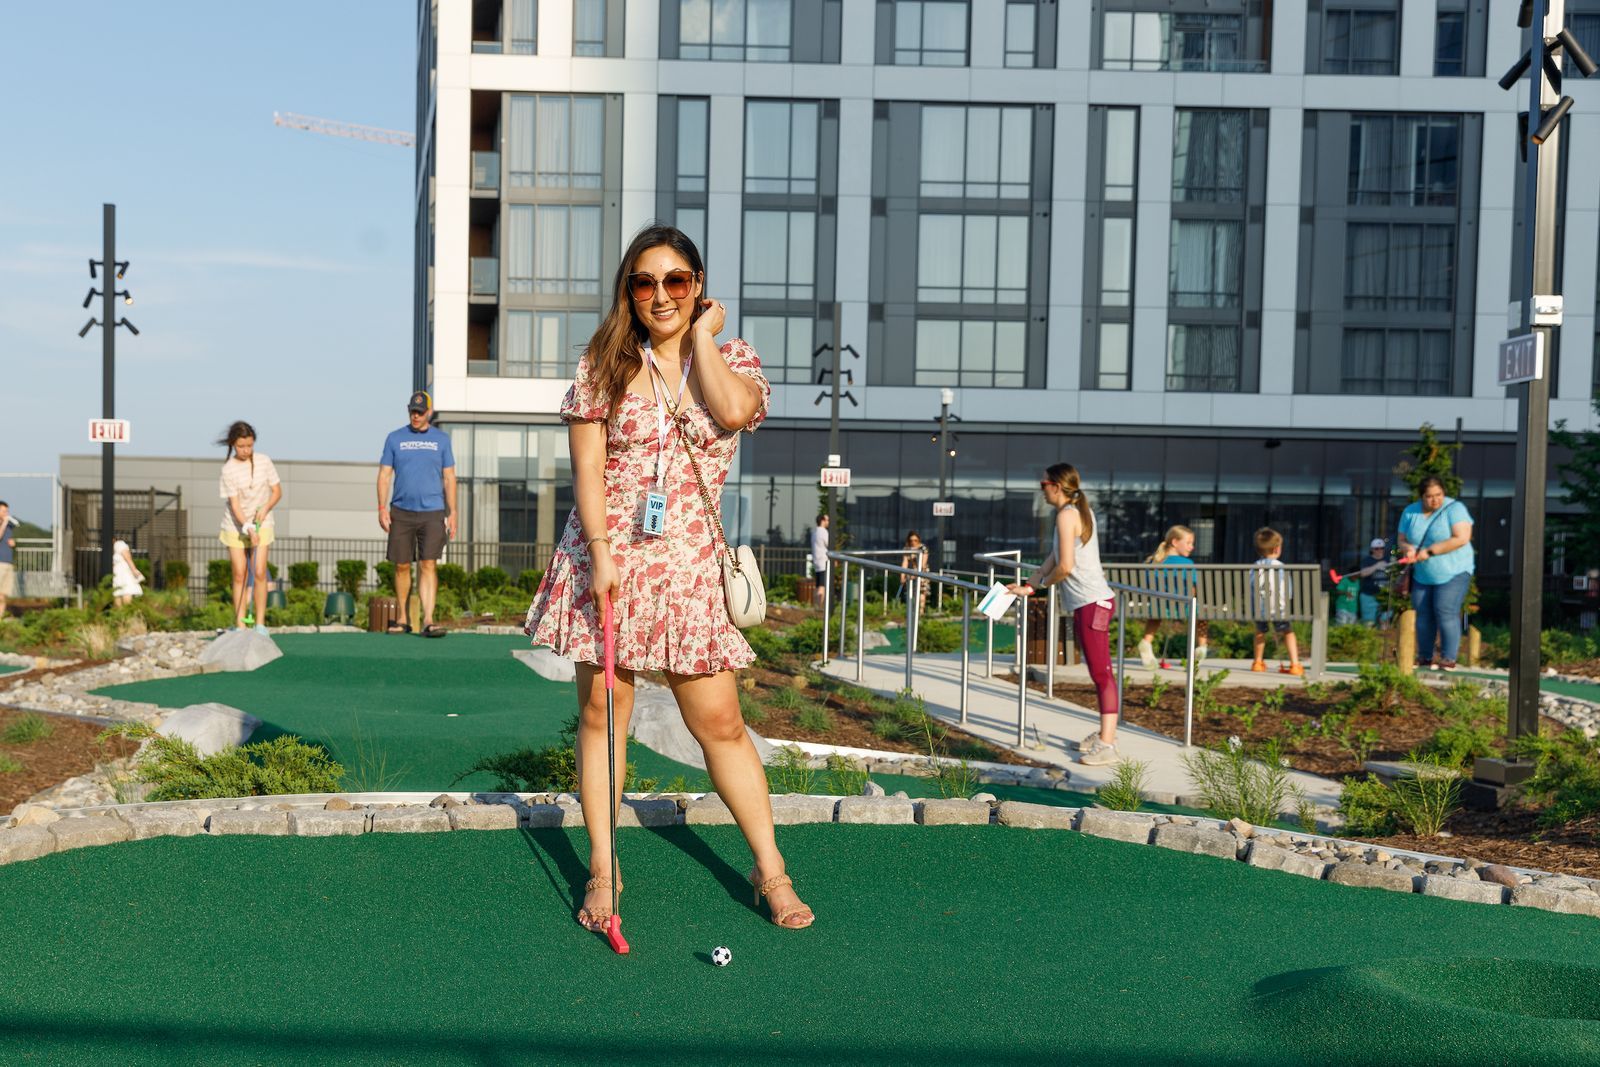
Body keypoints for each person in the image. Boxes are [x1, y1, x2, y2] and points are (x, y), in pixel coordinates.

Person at [523, 223, 813, 933]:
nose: (661, 294)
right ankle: (602, 866)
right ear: (629, 290)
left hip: (686, 570)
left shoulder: (733, 357)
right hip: (611, 561)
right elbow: (587, 468)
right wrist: (598, 554)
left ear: (698, 287)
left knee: (721, 722)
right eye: (645, 281)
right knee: (603, 717)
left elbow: (736, 411)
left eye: (676, 280)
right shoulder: (604, 365)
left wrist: (703, 338)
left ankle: (769, 868)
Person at [1006, 463, 1121, 767]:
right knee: (1100, 673)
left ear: (1056, 485)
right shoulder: (1074, 512)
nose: (1041, 489)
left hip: (1092, 603)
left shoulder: (1067, 514)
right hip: (1091, 603)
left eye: (1043, 483)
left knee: (1101, 673)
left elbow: (1065, 567)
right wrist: (1029, 585)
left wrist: (1042, 585)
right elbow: (1055, 556)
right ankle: (1105, 735)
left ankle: (1108, 743)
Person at [378, 391, 457, 638]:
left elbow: (449, 477)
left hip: (433, 512)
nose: (416, 415)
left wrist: (453, 512)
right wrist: (382, 507)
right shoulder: (394, 438)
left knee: (428, 564)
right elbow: (384, 475)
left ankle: (429, 620)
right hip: (401, 511)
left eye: (420, 412)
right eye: (412, 411)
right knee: (401, 565)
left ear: (429, 413)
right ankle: (402, 618)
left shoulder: (441, 440)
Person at [1397, 476, 1475, 670]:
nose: (1435, 500)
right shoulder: (1410, 512)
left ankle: (1448, 658)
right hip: (1423, 574)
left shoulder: (1455, 509)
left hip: (1454, 570)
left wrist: (1431, 551)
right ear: (1421, 496)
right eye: (1429, 496)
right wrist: (1408, 549)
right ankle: (1425, 657)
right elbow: (1401, 540)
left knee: (1444, 610)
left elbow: (1462, 538)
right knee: (1422, 613)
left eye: (1438, 495)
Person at [217, 421, 282, 634]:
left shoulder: (264, 462)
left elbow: (277, 491)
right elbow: (235, 505)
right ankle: (240, 624)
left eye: (249, 446)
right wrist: (248, 528)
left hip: (262, 521)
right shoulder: (228, 470)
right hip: (235, 525)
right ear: (233, 444)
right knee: (239, 573)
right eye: (241, 446)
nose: (246, 450)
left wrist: (265, 508)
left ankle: (261, 623)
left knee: (260, 571)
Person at [1136, 524, 1207, 669]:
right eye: (1188, 543)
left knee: (1156, 613)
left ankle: (1146, 641)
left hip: (1160, 607)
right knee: (1201, 615)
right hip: (1183, 606)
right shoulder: (1188, 563)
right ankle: (1202, 647)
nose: (1191, 547)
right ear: (1175, 542)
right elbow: (1192, 591)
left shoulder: (1155, 560)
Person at [1251, 527, 1302, 675]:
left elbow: (1251, 587)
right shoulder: (1281, 567)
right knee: (1288, 632)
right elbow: (1288, 592)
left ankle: (1258, 662)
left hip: (1259, 610)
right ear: (1277, 548)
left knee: (1260, 631)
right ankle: (1295, 665)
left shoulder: (1254, 566)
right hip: (1278, 609)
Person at [1357, 538, 1390, 626]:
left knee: (1385, 621)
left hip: (1385, 596)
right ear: (1372, 549)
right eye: (1376, 548)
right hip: (1369, 595)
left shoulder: (1389, 560)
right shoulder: (1367, 560)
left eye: (1381, 548)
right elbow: (1363, 573)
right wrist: (1376, 566)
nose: (1379, 550)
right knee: (1369, 623)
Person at [898, 530, 929, 613]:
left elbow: (923, 564)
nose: (913, 542)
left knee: (921, 591)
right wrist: (902, 576)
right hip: (912, 572)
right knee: (912, 592)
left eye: (915, 540)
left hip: (922, 572)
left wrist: (915, 573)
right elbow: (905, 562)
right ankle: (912, 611)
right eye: (911, 540)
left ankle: (921, 612)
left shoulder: (923, 548)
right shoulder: (907, 549)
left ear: (918, 540)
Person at [110, 537, 144, 607]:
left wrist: (134, 570)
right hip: (117, 575)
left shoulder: (119, 544)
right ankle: (120, 615)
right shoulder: (112, 548)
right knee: (117, 593)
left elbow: (128, 558)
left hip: (123, 573)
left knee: (126, 591)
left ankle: (127, 613)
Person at [809, 513, 830, 609]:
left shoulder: (815, 532)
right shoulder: (823, 532)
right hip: (823, 561)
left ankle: (815, 606)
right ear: (822, 520)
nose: (828, 522)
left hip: (817, 561)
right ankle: (820, 607)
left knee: (818, 585)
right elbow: (829, 544)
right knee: (822, 586)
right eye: (827, 520)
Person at [0, 501, 15, 617]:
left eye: (7, 511)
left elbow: (8, 539)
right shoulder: (4, 524)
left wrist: (13, 542)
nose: (6, 513)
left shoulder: (10, 525)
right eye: (4, 511)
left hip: (8, 562)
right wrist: (4, 523)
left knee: (4, 594)